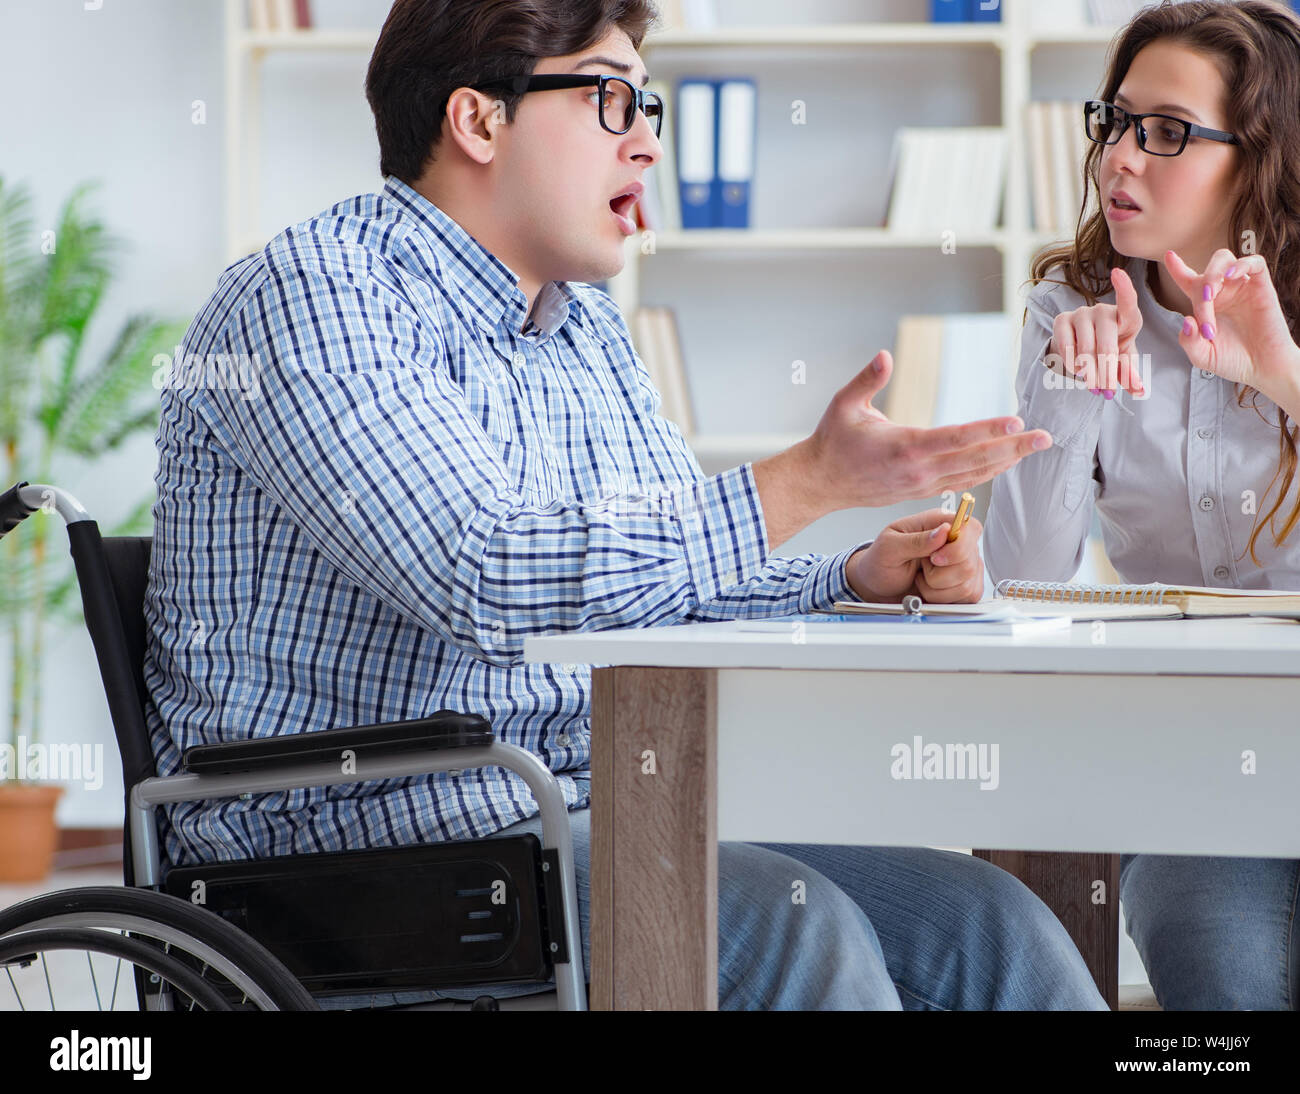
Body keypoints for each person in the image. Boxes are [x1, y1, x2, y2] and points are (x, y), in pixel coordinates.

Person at [145, 0, 1103, 1010]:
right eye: (611, 101)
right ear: (479, 121)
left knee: (993, 928)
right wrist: (801, 481)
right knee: (791, 930)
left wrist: (856, 576)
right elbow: (484, 570)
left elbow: (664, 586)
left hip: (584, 808)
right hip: (347, 843)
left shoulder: (581, 326)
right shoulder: (309, 298)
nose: (648, 143)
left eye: (647, 106)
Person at [985, 0, 1300, 1011]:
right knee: (1225, 981)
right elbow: (1020, 584)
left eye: (1165, 133)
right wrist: (1070, 390)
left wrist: (1285, 377)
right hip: (1197, 759)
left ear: (1255, 155)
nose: (1121, 158)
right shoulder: (1068, 307)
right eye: (1115, 122)